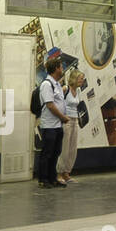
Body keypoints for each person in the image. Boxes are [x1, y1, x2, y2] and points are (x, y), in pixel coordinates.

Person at [36, 53, 68, 189]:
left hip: (57, 126)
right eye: (61, 67)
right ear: (56, 69)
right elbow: (50, 105)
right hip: (49, 126)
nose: (62, 69)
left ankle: (52, 177)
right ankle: (43, 179)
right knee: (47, 153)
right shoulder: (46, 85)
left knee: (56, 152)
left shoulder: (56, 85)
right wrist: (62, 117)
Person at [58, 68, 85, 184]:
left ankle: (67, 173)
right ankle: (59, 173)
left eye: (83, 79)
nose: (82, 81)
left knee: (73, 149)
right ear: (74, 78)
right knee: (64, 148)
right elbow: (57, 102)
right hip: (66, 120)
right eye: (80, 78)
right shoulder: (65, 89)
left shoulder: (78, 91)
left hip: (75, 120)